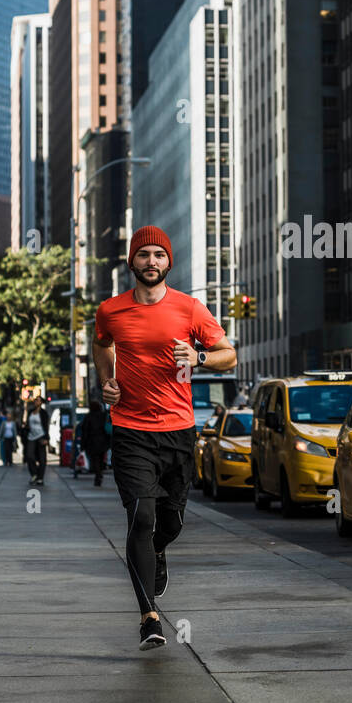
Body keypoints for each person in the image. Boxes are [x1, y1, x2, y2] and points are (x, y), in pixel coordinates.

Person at [93, 225, 236, 650]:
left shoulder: (190, 309)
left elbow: (229, 355)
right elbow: (101, 345)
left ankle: (157, 551)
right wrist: (107, 380)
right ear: (132, 262)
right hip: (131, 430)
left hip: (178, 431)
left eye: (158, 255)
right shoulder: (111, 310)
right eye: (143, 255)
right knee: (140, 516)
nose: (151, 262)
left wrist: (200, 356)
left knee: (170, 521)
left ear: (168, 262)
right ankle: (149, 616)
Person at [81, 399, 109, 487]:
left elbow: (85, 430)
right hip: (103, 440)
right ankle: (99, 473)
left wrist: (83, 444)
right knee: (100, 458)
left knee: (95, 459)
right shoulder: (104, 416)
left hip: (92, 441)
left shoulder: (88, 417)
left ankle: (98, 475)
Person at [21, 395, 49, 485]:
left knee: (42, 459)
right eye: (35, 400)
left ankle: (40, 478)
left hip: (41, 436)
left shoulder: (44, 413)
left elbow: (46, 427)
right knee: (29, 456)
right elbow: (27, 424)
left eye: (38, 400)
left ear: (41, 402)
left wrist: (46, 438)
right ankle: (34, 474)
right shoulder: (30, 412)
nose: (36, 402)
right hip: (31, 437)